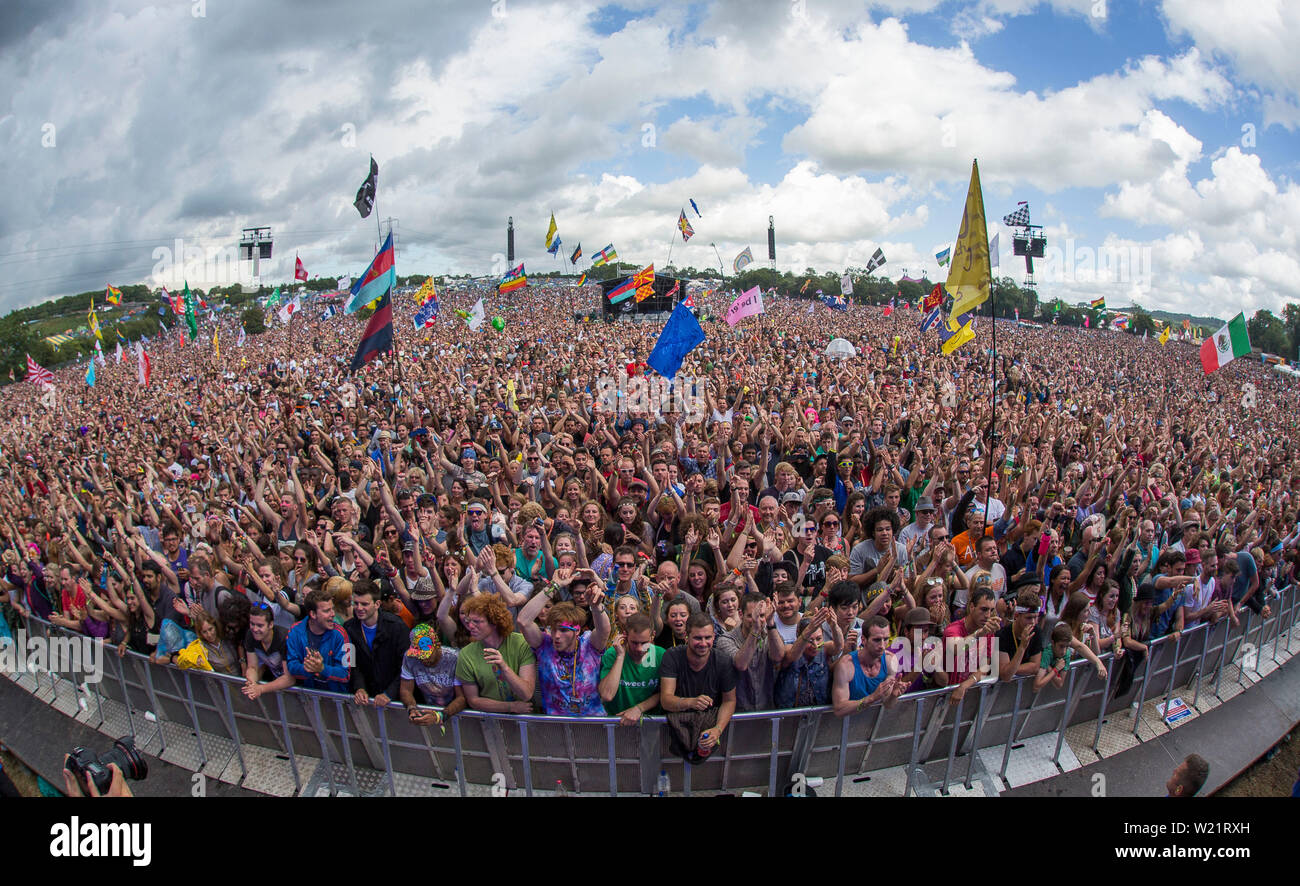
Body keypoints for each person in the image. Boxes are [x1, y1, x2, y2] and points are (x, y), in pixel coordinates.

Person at [517, 585, 611, 716]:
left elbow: (604, 630)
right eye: (554, 629)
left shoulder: (589, 645)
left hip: (591, 724)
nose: (556, 635)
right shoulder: (544, 645)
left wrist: (596, 607)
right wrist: (553, 585)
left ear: (577, 630)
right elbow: (523, 621)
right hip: (556, 725)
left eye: (563, 630)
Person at [660, 612, 737, 762]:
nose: (703, 643)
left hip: (709, 732)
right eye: (697, 638)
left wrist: (718, 729)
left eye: (707, 638)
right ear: (686, 637)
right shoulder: (672, 656)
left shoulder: (723, 661)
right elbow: (665, 700)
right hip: (674, 732)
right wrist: (691, 702)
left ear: (714, 636)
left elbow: (730, 701)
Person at [455, 593, 536, 713]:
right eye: (469, 620)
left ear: (494, 622)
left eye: (477, 621)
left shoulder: (521, 643)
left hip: (525, 721)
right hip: (490, 720)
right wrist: (511, 707)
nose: (470, 626)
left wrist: (504, 667)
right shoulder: (466, 654)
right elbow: (473, 701)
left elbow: (526, 694)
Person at [344, 581, 411, 708]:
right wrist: (359, 687)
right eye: (356, 603)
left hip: (395, 700)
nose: (359, 608)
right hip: (367, 699)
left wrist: (389, 693)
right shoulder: (349, 628)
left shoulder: (397, 627)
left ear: (377, 604)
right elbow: (351, 664)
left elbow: (406, 666)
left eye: (364, 604)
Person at [714, 592, 782, 711]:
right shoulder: (725, 640)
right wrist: (755, 630)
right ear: (740, 614)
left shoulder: (770, 634)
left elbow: (778, 657)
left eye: (761, 615)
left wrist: (770, 623)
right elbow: (741, 664)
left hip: (767, 709)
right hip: (737, 712)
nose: (757, 620)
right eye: (751, 616)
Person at [831, 615, 906, 716]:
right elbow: (839, 709)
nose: (882, 645)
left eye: (886, 639)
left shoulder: (890, 660)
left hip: (870, 727)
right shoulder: (846, 665)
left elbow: (887, 704)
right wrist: (872, 698)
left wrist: (893, 696)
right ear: (863, 640)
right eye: (877, 640)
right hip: (842, 727)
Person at [598, 612, 663, 724]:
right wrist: (620, 656)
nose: (639, 648)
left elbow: (665, 693)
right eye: (634, 643)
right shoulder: (612, 654)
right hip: (617, 721)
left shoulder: (660, 655)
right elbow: (606, 695)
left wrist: (639, 708)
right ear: (625, 636)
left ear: (652, 636)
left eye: (644, 643)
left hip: (651, 723)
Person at [399, 622, 466, 726]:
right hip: (428, 710)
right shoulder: (409, 658)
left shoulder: (454, 658)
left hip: (457, 715)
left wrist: (440, 716)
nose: (424, 659)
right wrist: (411, 708)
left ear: (436, 646)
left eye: (428, 655)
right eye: (419, 655)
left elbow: (462, 697)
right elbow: (406, 689)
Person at [286, 588, 351, 692]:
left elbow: (346, 674)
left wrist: (322, 669)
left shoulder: (342, 634)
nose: (333, 614)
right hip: (308, 697)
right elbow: (291, 665)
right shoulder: (294, 631)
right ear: (313, 614)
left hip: (335, 700)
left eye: (332, 609)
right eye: (326, 611)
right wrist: (306, 669)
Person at [241, 602, 296, 700]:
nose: (255, 629)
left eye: (260, 625)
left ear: (270, 624)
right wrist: (252, 683)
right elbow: (252, 667)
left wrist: (261, 688)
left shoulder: (284, 638)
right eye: (252, 624)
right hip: (277, 683)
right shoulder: (250, 635)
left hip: (298, 688)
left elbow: (289, 678)